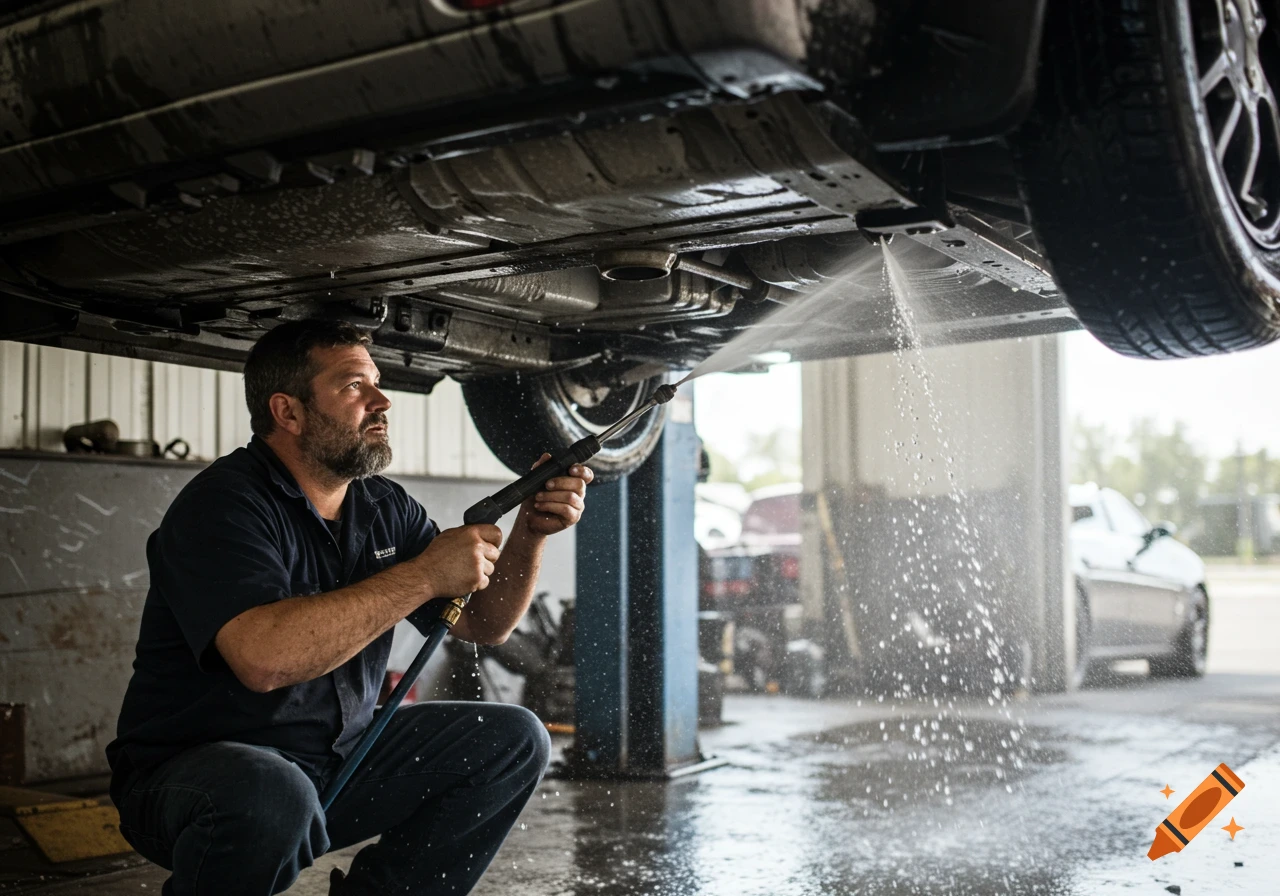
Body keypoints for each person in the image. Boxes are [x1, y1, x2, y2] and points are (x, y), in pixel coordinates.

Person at [106, 319, 593, 895]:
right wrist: (421, 575)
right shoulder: (223, 507)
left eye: (378, 384)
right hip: (200, 781)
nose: (382, 401)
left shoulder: (383, 506)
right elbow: (265, 660)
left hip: (335, 765)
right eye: (354, 386)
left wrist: (530, 534)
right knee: (270, 792)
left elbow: (482, 623)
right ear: (288, 412)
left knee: (512, 739)